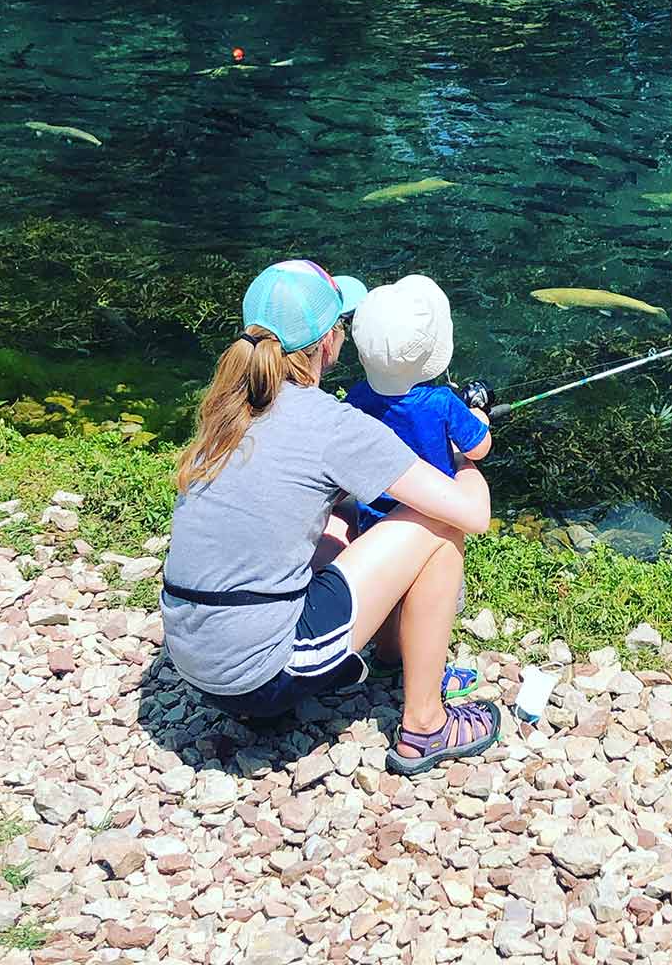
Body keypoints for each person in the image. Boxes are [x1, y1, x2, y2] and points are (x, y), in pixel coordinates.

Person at [160, 259, 501, 776]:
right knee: (441, 524)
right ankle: (427, 725)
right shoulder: (331, 424)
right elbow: (473, 514)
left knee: (340, 514)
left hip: (194, 658)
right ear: (328, 344)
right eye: (340, 323)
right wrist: (457, 458)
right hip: (261, 673)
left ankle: (385, 653)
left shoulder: (229, 408)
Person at [343, 275, 491, 699]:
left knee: (391, 592)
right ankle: (426, 671)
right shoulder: (442, 402)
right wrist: (478, 420)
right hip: (430, 525)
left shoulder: (356, 397)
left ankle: (388, 655)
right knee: (429, 601)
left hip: (374, 523)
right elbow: (479, 449)